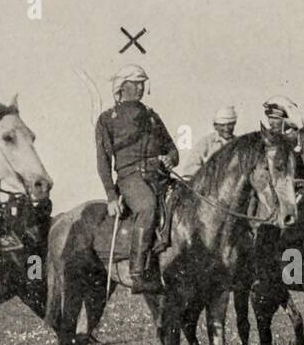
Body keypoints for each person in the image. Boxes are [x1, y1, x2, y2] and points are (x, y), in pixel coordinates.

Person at [95, 64, 179, 294]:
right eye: (136, 84)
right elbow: (103, 161)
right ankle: (138, 271)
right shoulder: (107, 119)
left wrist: (171, 158)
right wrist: (111, 196)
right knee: (147, 207)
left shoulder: (152, 116)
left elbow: (173, 149)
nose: (141, 88)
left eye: (143, 83)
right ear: (123, 86)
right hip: (130, 178)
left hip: (160, 175)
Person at [184, 106, 237, 180]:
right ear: (215, 126)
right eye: (222, 125)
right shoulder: (205, 142)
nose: (226, 128)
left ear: (235, 124)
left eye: (230, 124)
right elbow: (190, 169)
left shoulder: (239, 144)